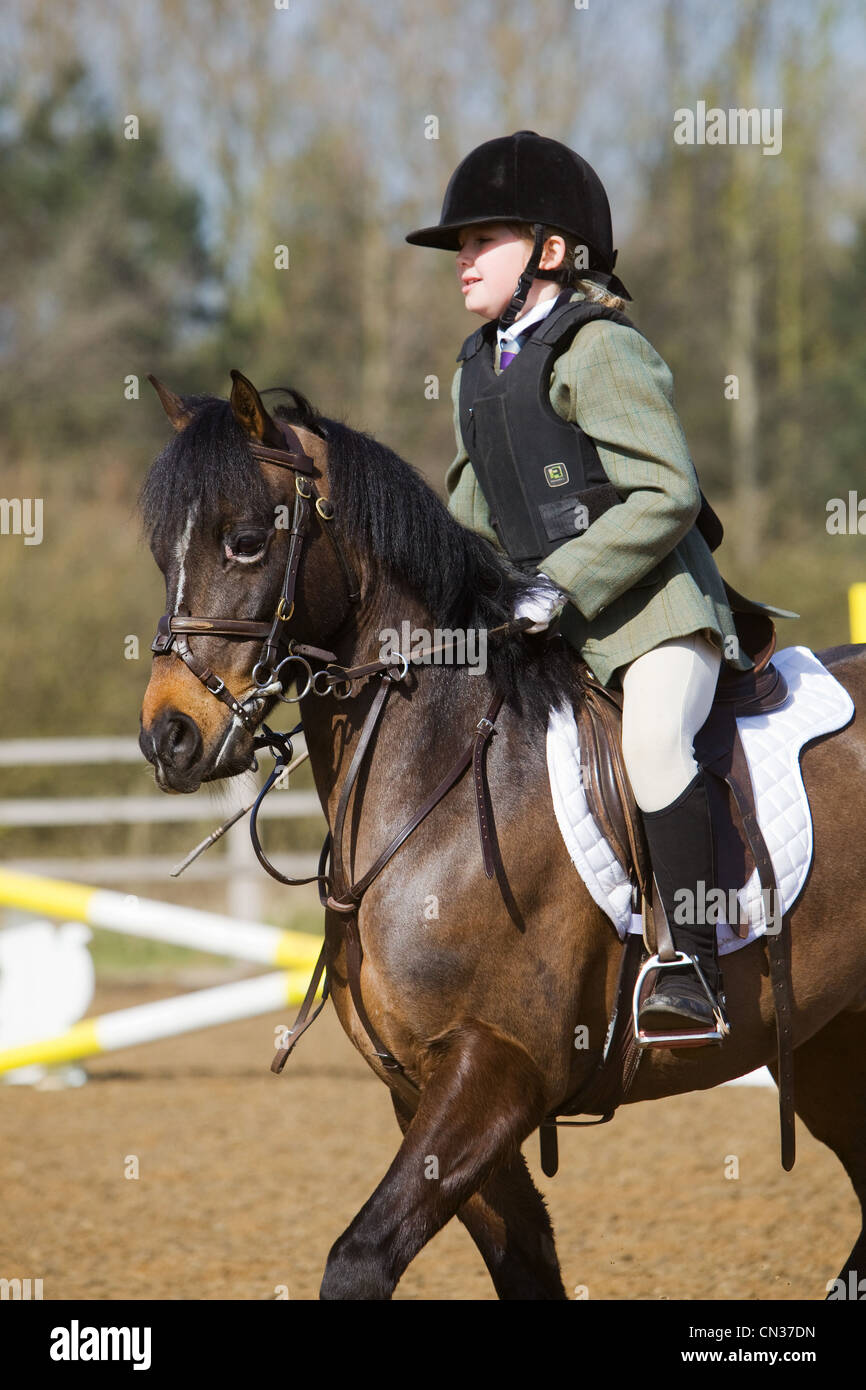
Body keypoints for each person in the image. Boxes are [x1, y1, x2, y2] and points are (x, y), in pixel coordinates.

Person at [406, 130, 792, 1039]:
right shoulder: (477, 366)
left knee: (656, 744)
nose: (461, 259)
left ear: (549, 250)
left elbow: (668, 491)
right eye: (458, 245)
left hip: (655, 616)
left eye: (480, 240)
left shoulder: (599, 349)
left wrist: (559, 584)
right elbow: (471, 505)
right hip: (550, 623)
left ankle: (692, 961)